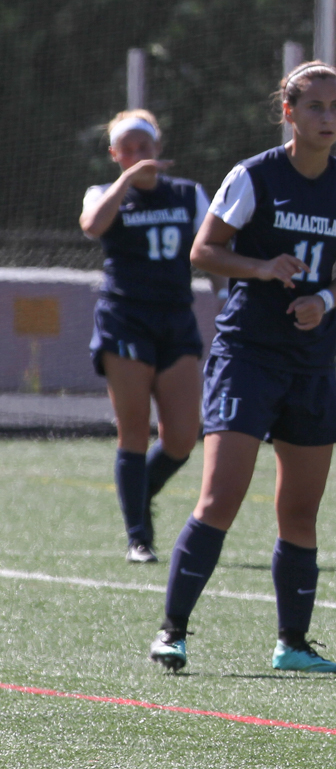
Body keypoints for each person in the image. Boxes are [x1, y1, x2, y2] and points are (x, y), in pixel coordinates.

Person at [147, 61, 336, 674]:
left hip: (311, 361)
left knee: (299, 510)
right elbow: (204, 250)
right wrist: (264, 267)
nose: (329, 117)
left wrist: (322, 301)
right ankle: (173, 632)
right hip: (248, 353)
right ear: (289, 112)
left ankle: (292, 645)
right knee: (220, 496)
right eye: (316, 106)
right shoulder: (254, 176)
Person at [80, 110, 216, 564]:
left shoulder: (186, 193)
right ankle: (138, 535)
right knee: (133, 429)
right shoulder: (104, 193)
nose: (139, 155)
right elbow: (92, 225)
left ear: (159, 147)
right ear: (115, 154)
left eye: (146, 146)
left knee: (181, 436)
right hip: (125, 321)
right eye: (129, 148)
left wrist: (229, 298)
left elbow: (214, 249)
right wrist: (126, 182)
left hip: (175, 322)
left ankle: (141, 493)